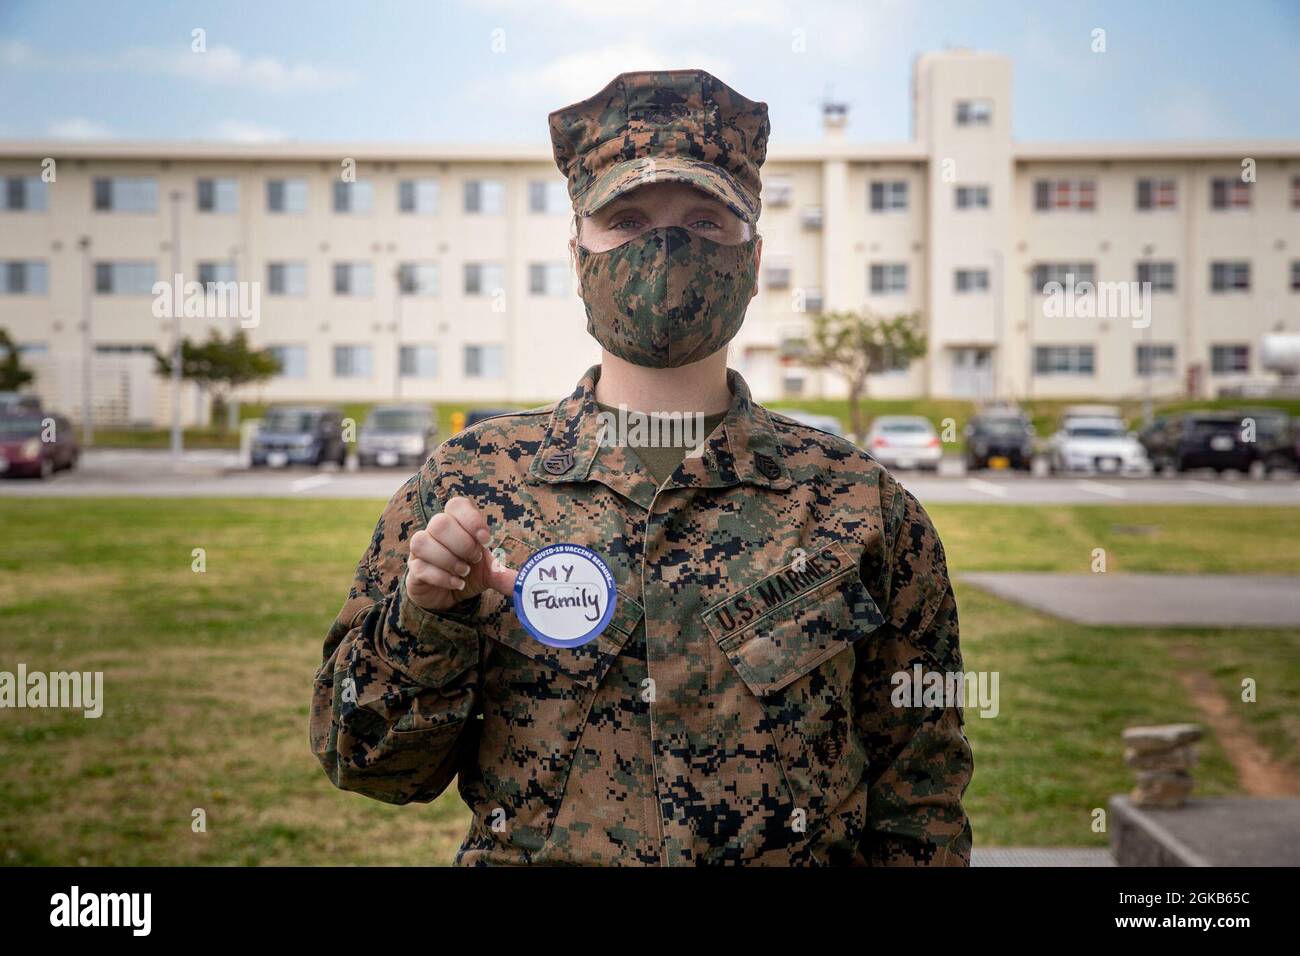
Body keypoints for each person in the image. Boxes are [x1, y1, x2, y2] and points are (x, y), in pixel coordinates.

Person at [310, 68, 973, 866]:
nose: (665, 250)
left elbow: (922, 799)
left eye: (704, 221)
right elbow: (369, 761)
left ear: (754, 259)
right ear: (577, 256)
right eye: (625, 221)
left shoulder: (859, 505)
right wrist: (427, 616)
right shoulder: (468, 485)